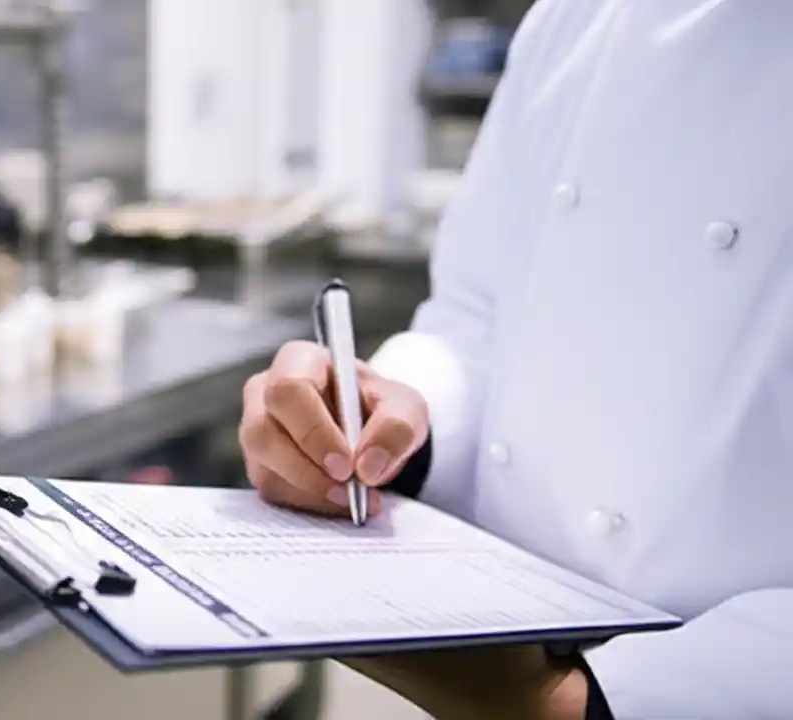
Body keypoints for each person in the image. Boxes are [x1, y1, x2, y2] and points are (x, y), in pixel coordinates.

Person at [238, 1, 793, 718]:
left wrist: (574, 704)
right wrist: (388, 424)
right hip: (500, 632)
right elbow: (476, 315)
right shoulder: (574, 17)